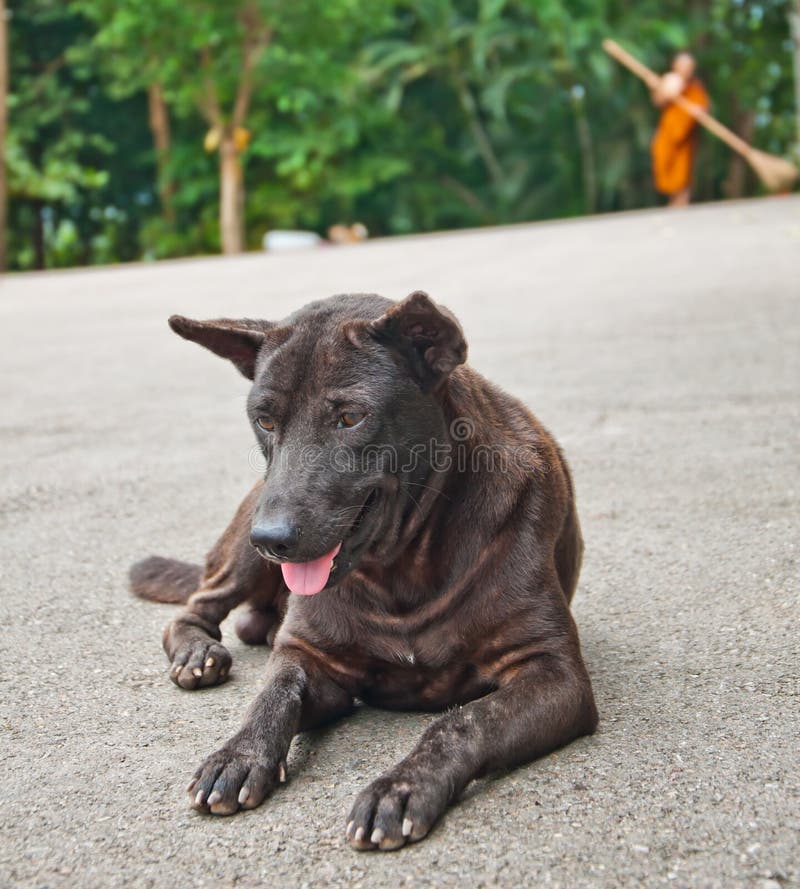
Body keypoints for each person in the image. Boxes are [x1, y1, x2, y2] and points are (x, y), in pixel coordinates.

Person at [650, 51, 710, 207]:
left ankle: (682, 199)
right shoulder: (669, 80)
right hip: (668, 132)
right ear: (675, 66)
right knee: (662, 160)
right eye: (682, 65)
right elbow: (658, 101)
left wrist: (698, 110)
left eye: (689, 67)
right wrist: (661, 90)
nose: (685, 69)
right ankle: (674, 198)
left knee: (683, 167)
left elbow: (702, 106)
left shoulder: (695, 88)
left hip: (685, 135)